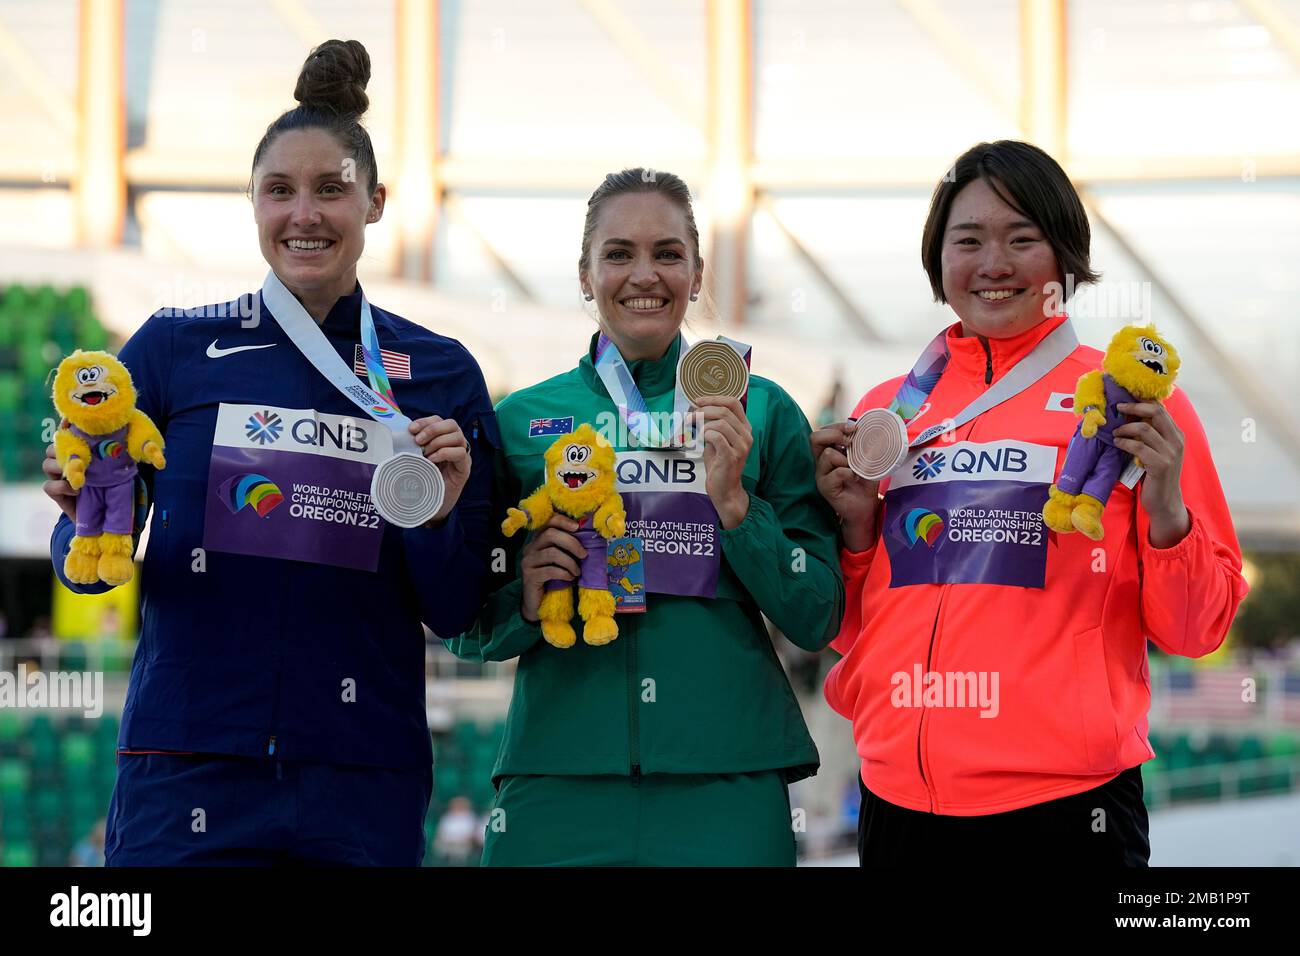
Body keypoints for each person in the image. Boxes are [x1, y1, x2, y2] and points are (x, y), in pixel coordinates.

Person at [41, 39, 498, 866]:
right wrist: (81, 523)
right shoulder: (174, 348)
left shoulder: (440, 373)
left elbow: (459, 609)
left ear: (377, 202)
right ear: (252, 205)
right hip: (187, 761)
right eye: (279, 191)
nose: (305, 214)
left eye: (332, 189)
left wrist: (434, 515)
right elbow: (85, 566)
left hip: (361, 769)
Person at [811, 140, 1249, 866]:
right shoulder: (887, 413)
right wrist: (855, 535)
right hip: (898, 804)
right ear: (937, 257)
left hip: (1065, 813)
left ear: (1065, 257)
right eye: (969, 240)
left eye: (1023, 239)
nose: (995, 263)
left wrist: (1169, 511)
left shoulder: (1127, 407)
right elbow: (856, 629)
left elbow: (1197, 631)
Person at [446, 168, 845, 866]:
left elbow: (817, 615)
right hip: (558, 779)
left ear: (697, 274)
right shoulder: (517, 422)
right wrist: (527, 597)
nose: (644, 275)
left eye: (667, 254)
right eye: (619, 253)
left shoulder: (764, 411)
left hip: (726, 782)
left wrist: (736, 510)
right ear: (584, 273)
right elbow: (466, 624)